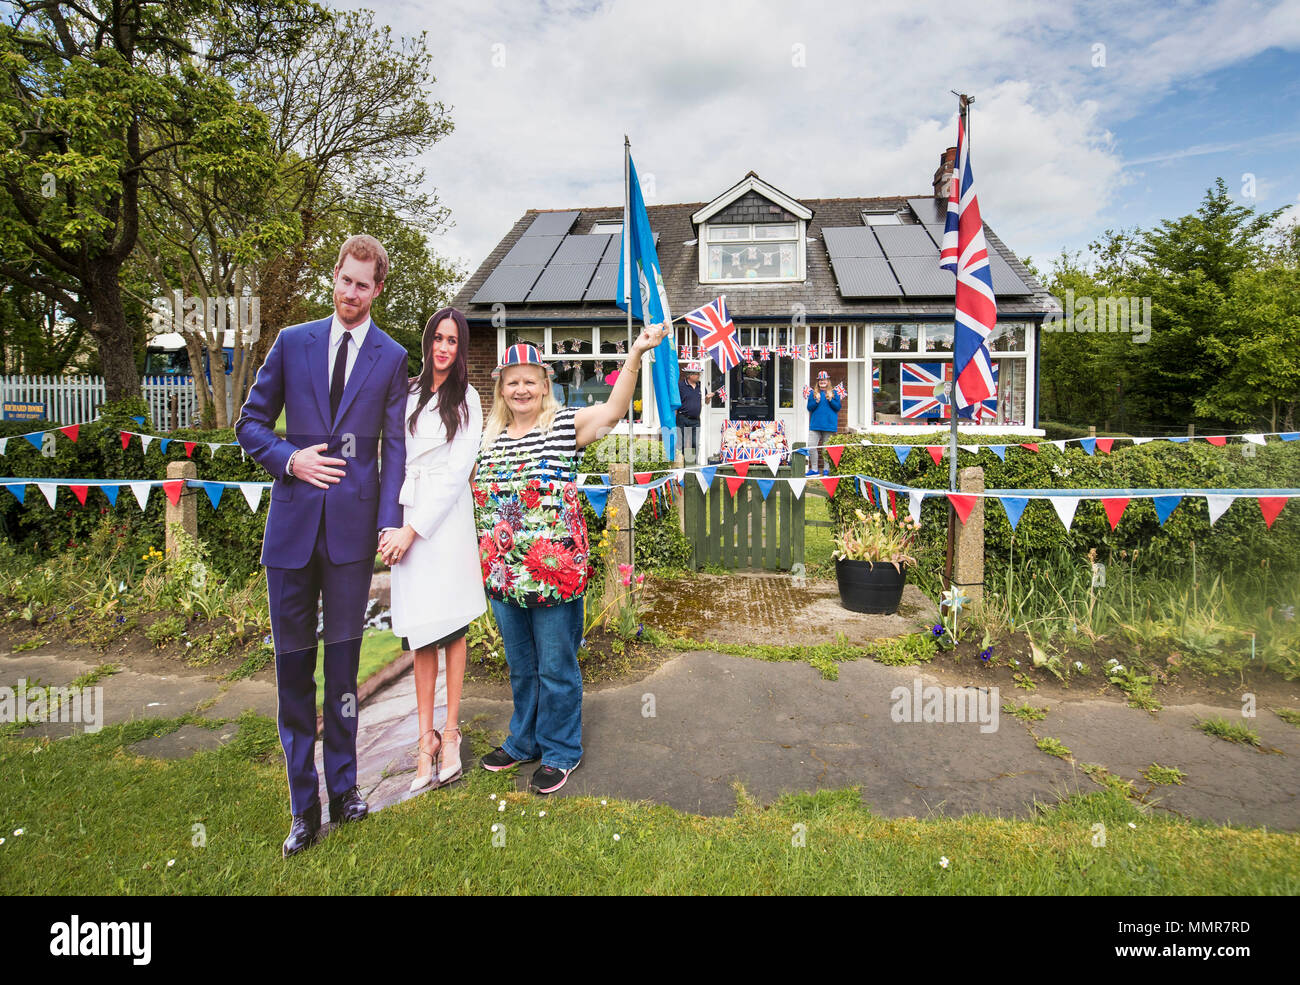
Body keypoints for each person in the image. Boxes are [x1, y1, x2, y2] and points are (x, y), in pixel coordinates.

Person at [236, 235, 409, 858]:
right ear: (332, 277)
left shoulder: (391, 357)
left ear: (377, 290)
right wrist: (289, 459)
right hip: (289, 534)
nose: (351, 294)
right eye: (345, 280)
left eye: (364, 285)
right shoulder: (292, 343)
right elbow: (248, 425)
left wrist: (389, 522)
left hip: (351, 541)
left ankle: (345, 790)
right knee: (292, 675)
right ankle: (302, 808)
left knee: (342, 673)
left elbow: (394, 450)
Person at [475, 325, 668, 795]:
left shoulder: (563, 426)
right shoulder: (489, 435)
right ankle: (523, 741)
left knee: (556, 666)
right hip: (504, 576)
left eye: (530, 380)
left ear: (545, 385)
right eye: (512, 381)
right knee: (521, 665)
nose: (521, 389)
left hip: (554, 574)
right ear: (501, 388)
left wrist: (636, 353)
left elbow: (614, 410)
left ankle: (560, 750)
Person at [381, 307, 485, 793]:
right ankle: (425, 740)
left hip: (444, 524)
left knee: (451, 627)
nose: (444, 348)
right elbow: (390, 458)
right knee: (421, 632)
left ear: (461, 348)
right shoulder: (404, 393)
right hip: (406, 515)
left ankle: (452, 730)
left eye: (453, 341)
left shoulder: (470, 400)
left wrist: (413, 530)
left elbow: (454, 474)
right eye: (437, 339)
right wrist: (391, 526)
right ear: (427, 343)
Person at [675, 360, 712, 464]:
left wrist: (708, 398)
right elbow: (675, 402)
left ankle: (693, 464)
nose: (699, 375)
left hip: (695, 420)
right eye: (697, 374)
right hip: (682, 418)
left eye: (699, 373)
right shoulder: (681, 386)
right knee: (680, 443)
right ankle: (680, 464)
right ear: (689, 375)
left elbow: (706, 402)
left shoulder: (701, 386)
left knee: (695, 443)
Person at [807, 370, 841, 475]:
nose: (822, 381)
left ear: (828, 381)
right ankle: (814, 469)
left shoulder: (834, 393)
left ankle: (826, 470)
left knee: (827, 449)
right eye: (820, 380)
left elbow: (838, 408)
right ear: (818, 381)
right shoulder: (813, 393)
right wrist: (816, 401)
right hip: (815, 425)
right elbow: (809, 408)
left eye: (824, 380)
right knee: (811, 446)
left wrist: (831, 399)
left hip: (829, 425)